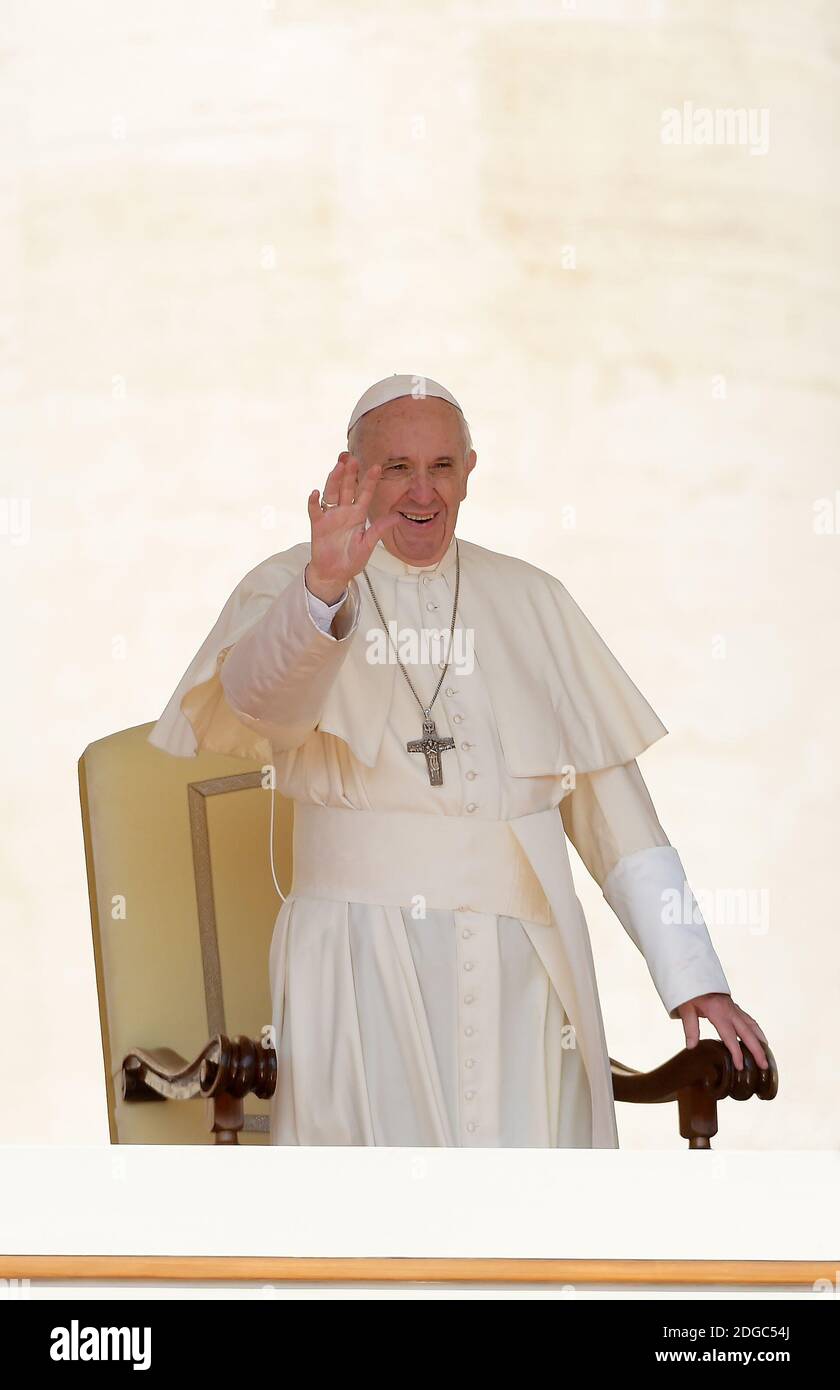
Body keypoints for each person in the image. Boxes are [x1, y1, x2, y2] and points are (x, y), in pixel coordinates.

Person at [148, 372, 769, 1148]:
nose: (422, 491)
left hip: (527, 974)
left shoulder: (534, 600)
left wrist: (694, 980)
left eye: (441, 466)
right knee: (379, 1230)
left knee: (529, 1222)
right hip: (359, 959)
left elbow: (618, 816)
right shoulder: (291, 583)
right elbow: (258, 706)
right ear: (351, 469)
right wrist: (324, 588)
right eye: (395, 468)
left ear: (470, 470)